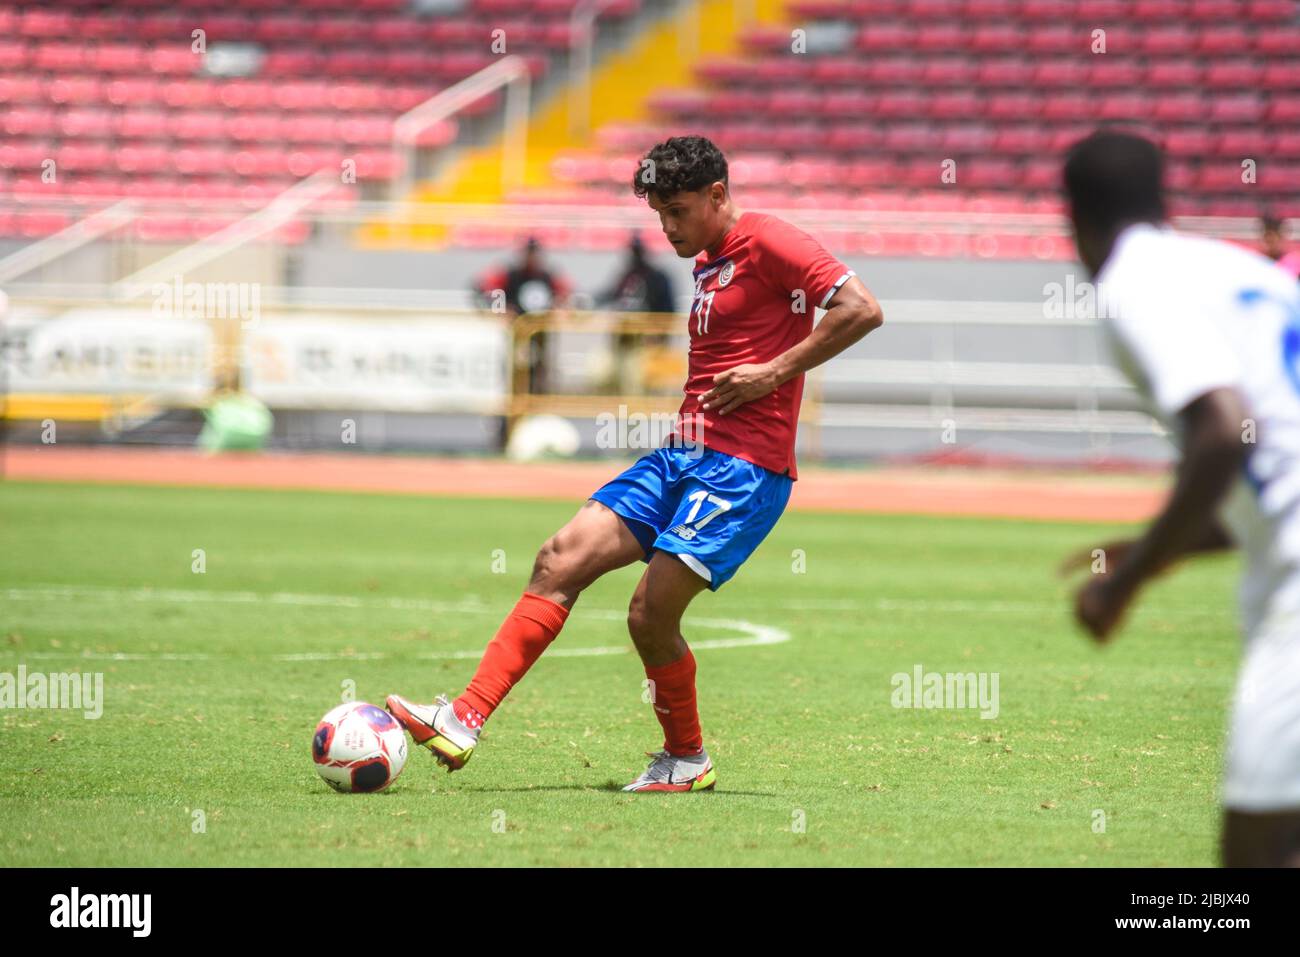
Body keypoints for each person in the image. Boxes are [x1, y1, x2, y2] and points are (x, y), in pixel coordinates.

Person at [388, 135, 883, 791]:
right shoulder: (711, 259)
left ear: (716, 194)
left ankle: (687, 758)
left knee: (649, 615)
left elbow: (862, 309)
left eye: (677, 211)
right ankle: (462, 717)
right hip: (682, 453)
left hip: (743, 469)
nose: (668, 227)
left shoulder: (771, 240)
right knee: (559, 557)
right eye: (659, 214)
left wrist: (772, 372)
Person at [1058, 130, 1300, 866]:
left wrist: (1125, 585)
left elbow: (1224, 434)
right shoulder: (1237, 271)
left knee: (1257, 852)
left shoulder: (1133, 282)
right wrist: (1165, 542)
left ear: (1074, 219)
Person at [471, 236, 572, 447]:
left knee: (539, 385)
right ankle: (506, 435)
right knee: (513, 386)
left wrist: (558, 309)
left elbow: (567, 293)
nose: (532, 257)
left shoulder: (547, 276)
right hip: (517, 340)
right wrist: (501, 310)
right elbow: (481, 288)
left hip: (541, 341)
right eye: (529, 252)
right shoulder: (510, 274)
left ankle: (534, 435)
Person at [595, 234, 678, 395]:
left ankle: (642, 412)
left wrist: (661, 333)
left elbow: (667, 307)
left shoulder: (657, 276)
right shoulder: (627, 275)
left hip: (647, 336)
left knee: (643, 379)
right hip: (624, 336)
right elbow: (612, 295)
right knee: (620, 376)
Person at [1261, 214, 1300, 281]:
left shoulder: (1293, 263)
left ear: (1281, 238)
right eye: (1267, 241)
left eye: (1272, 241)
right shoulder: (1260, 262)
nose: (1269, 245)